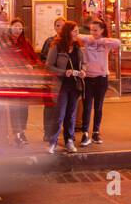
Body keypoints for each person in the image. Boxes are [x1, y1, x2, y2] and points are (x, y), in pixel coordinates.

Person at [75, 18, 120, 147]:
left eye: (95, 30)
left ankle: (96, 132)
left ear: (102, 30)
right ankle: (85, 133)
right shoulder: (88, 39)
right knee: (87, 106)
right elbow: (76, 35)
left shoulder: (106, 42)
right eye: (91, 30)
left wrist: (101, 40)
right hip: (88, 78)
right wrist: (90, 38)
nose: (93, 32)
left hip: (101, 77)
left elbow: (118, 42)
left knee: (98, 107)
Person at [45, 20, 85, 154]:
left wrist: (83, 71)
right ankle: (53, 142)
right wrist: (64, 72)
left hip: (75, 85)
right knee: (59, 115)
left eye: (78, 31)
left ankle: (69, 140)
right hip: (61, 85)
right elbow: (49, 66)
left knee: (71, 115)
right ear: (68, 32)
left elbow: (83, 63)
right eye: (75, 31)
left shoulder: (78, 47)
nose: (77, 34)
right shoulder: (56, 46)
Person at [5, 18, 31, 147]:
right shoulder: (5, 42)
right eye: (16, 27)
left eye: (20, 28)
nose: (18, 30)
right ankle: (17, 133)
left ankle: (22, 131)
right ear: (10, 27)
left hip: (24, 80)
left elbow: (32, 58)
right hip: (11, 80)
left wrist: (30, 65)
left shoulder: (25, 43)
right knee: (15, 107)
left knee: (23, 108)